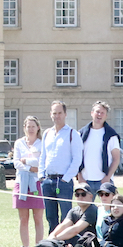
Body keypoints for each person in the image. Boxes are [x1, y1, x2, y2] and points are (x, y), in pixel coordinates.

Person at [38, 101, 81, 235]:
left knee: (66, 218)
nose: (57, 116)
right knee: (50, 217)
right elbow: (42, 156)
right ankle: (52, 245)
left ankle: (65, 245)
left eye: (59, 113)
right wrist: (41, 176)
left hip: (64, 182)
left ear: (65, 114)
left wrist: (66, 178)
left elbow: (77, 159)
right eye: (54, 113)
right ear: (51, 114)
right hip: (48, 181)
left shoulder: (72, 134)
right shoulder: (47, 133)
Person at [25, 184, 97, 247]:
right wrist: (52, 237)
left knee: (63, 240)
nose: (80, 197)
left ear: (91, 196)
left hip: (88, 244)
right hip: (77, 241)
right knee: (58, 240)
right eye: (77, 194)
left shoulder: (92, 210)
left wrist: (56, 239)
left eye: (83, 194)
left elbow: (76, 229)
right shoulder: (74, 211)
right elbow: (63, 225)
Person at [11, 116, 44, 247]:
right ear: (24, 128)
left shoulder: (42, 143)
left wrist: (27, 161)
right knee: (23, 219)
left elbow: (41, 163)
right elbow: (16, 162)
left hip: (37, 183)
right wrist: (31, 167)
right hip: (21, 183)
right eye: (28, 126)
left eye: (33, 126)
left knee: (38, 218)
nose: (30, 129)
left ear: (38, 128)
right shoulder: (19, 143)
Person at [78, 101, 121, 192]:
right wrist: (79, 177)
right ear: (92, 113)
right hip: (85, 180)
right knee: (85, 206)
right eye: (97, 112)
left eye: (102, 113)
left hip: (104, 180)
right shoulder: (81, 134)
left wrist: (107, 177)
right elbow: (76, 157)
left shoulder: (111, 135)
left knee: (107, 206)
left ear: (106, 116)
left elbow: (116, 159)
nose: (99, 115)